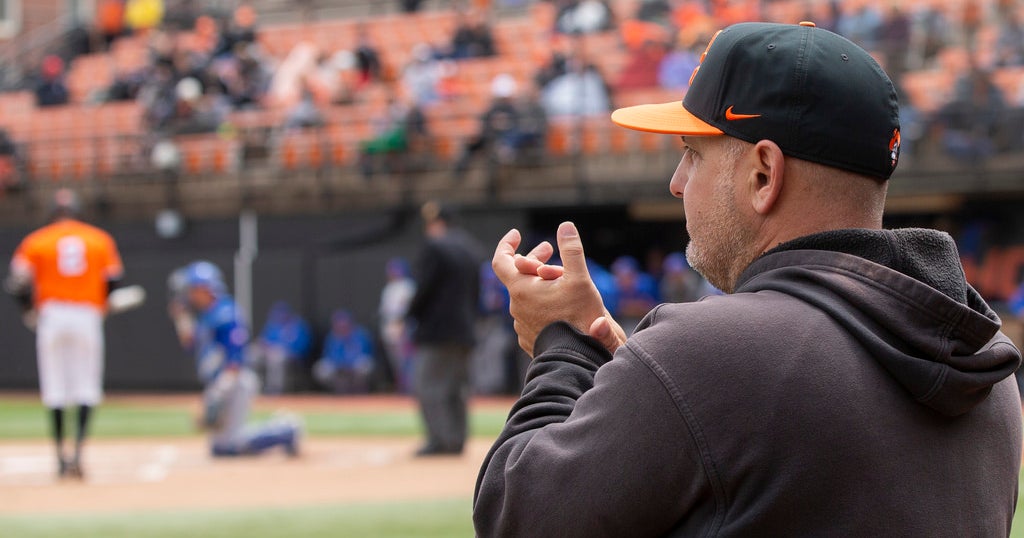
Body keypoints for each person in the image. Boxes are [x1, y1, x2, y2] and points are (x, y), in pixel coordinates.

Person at [475, 22, 1022, 536]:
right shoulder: (988, 366)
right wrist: (635, 369)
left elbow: (515, 514)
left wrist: (563, 344)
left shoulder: (707, 356)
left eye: (692, 155)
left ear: (764, 174)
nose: (675, 182)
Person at [5, 189, 124, 480]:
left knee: (55, 386)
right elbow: (113, 279)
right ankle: (78, 453)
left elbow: (17, 282)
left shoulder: (36, 240)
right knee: (87, 384)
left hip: (52, 315)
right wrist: (105, 303)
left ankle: (60, 457)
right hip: (86, 314)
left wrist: (28, 311)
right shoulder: (98, 238)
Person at [168, 261, 301, 457]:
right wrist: (181, 317)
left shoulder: (226, 312)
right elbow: (190, 343)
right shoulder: (207, 315)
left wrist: (218, 391)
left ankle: (285, 430)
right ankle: (277, 432)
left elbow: (236, 356)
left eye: (193, 289)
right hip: (220, 381)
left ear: (205, 288)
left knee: (231, 445)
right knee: (219, 448)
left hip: (234, 381)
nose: (190, 294)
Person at [407, 201, 484, 456]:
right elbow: (476, 293)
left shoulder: (435, 246)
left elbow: (424, 290)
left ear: (436, 223)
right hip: (466, 328)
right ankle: (457, 439)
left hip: (437, 330)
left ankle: (440, 440)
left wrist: (409, 315)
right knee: (456, 388)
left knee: (429, 386)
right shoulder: (472, 248)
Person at [253, 301, 312, 395]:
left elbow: (303, 347)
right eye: (277, 314)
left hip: (292, 356)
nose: (279, 316)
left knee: (276, 357)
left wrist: (278, 349)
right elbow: (263, 340)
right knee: (253, 354)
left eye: (282, 314)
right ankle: (254, 388)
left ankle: (274, 390)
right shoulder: (273, 325)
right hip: (270, 353)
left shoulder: (298, 326)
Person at [312, 309, 376, 394]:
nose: (341, 326)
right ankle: (337, 391)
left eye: (344, 324)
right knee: (322, 369)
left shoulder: (361, 335)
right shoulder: (332, 337)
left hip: (355, 366)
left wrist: (349, 364)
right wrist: (341, 365)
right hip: (339, 367)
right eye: (339, 324)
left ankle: (359, 391)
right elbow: (329, 356)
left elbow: (367, 354)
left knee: (364, 364)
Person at [379, 257, 416, 393]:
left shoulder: (407, 287)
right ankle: (402, 388)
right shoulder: (388, 289)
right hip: (390, 327)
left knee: (407, 360)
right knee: (396, 362)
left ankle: (410, 389)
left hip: (403, 328)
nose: (392, 273)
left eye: (395, 270)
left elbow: (408, 311)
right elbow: (385, 312)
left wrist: (403, 327)